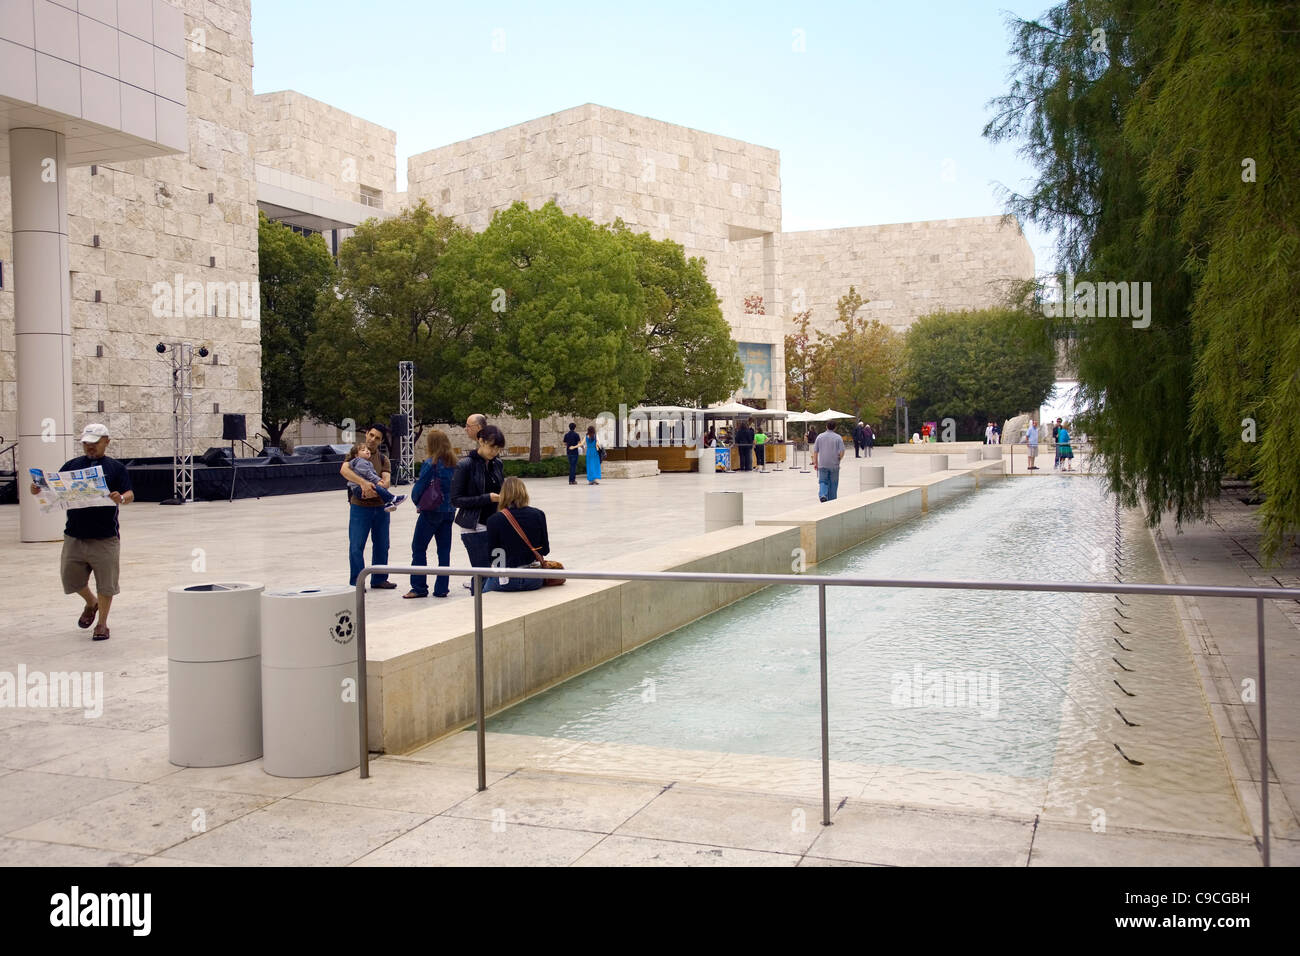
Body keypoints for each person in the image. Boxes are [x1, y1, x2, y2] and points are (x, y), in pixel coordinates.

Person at [30, 423, 133, 641]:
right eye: (86, 443)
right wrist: (38, 489)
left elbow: (129, 493)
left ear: (106, 441)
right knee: (71, 580)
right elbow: (54, 489)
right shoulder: (72, 465)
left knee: (106, 584)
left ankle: (102, 624)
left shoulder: (116, 468)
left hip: (104, 536)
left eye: (94, 442)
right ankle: (91, 602)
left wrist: (121, 498)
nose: (90, 447)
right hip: (74, 534)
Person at [405, 429, 457, 599]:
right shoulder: (454, 464)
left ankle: (419, 587)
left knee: (419, 548)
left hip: (431, 511)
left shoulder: (431, 463)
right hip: (449, 511)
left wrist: (418, 503)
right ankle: (442, 588)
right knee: (444, 551)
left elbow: (419, 488)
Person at [341, 424, 395, 589]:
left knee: (382, 545)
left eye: (377, 438)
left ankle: (379, 579)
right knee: (356, 545)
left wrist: (378, 487)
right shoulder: (355, 453)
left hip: (380, 507)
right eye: (371, 435)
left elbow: (386, 481)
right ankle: (357, 581)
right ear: (366, 434)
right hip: (360, 507)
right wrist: (363, 483)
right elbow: (344, 470)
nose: (372, 439)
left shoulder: (383, 459)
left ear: (381, 441)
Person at [451, 423, 506, 580]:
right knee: (483, 576)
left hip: (496, 526)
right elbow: (456, 500)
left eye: (498, 449)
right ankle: (479, 596)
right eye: (492, 447)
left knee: (501, 574)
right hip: (475, 528)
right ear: (481, 441)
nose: (495, 452)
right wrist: (487, 498)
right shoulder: (465, 465)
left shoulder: (497, 463)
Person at [483, 477, 550, 592]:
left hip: (507, 580)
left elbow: (494, 556)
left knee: (482, 593)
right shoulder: (538, 514)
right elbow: (545, 550)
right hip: (534, 579)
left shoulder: (494, 519)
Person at [344, 444, 406, 512]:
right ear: (356, 455)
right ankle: (393, 499)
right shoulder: (360, 461)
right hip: (358, 488)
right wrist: (378, 480)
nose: (367, 451)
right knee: (378, 488)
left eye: (367, 449)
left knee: (379, 490)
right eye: (363, 450)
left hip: (359, 488)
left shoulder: (365, 462)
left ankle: (388, 503)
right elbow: (367, 473)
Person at [811, 420, 846, 502]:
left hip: (822, 464)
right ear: (835, 428)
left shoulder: (820, 437)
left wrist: (816, 463)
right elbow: (842, 451)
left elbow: (815, 451)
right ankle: (832, 500)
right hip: (834, 464)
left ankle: (823, 494)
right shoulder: (838, 438)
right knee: (833, 483)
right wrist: (839, 458)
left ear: (826, 426)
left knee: (823, 481)